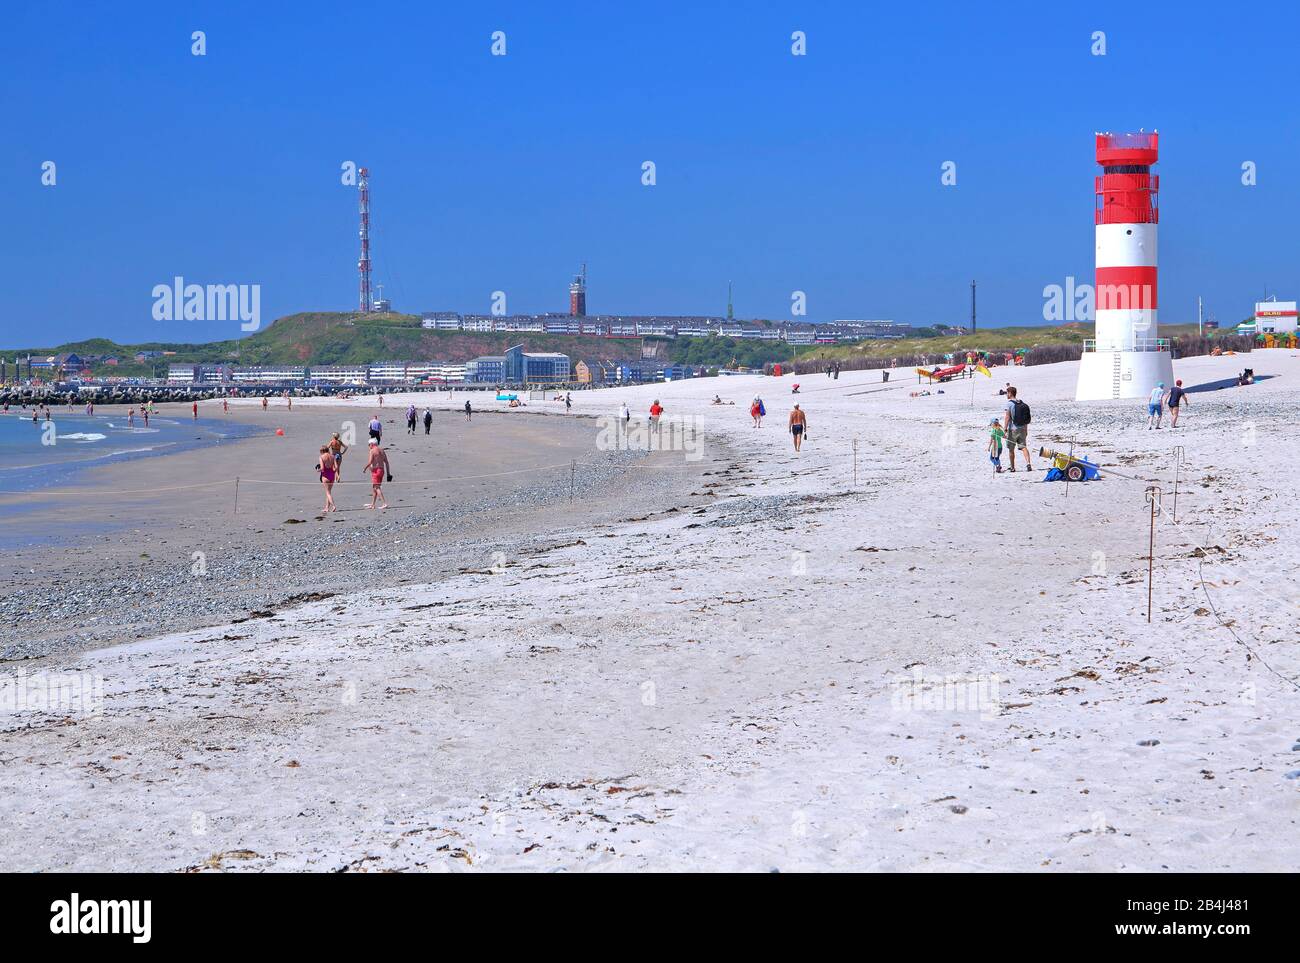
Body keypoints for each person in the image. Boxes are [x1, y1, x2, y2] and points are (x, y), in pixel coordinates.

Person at [1002, 386, 1034, 471]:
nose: (1006, 395)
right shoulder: (1021, 403)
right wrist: (1026, 429)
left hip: (1013, 429)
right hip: (1023, 428)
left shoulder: (1009, 404)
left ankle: (1012, 467)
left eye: (1007, 393)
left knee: (1011, 449)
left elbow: (1007, 417)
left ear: (1010, 393)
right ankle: (1028, 463)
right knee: (1023, 447)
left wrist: (1004, 429)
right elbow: (1025, 419)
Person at [364, 438, 390, 510]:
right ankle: (373, 504)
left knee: (377, 487)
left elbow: (370, 462)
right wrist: (388, 474)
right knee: (374, 488)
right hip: (382, 470)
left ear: (372, 444)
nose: (369, 446)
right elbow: (387, 462)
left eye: (369, 445)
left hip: (376, 471)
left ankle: (384, 503)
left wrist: (365, 468)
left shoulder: (372, 451)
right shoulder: (382, 450)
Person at [318, 445, 338, 513]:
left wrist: (318, 470)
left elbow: (322, 468)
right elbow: (336, 466)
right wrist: (334, 471)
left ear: (322, 451)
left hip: (325, 475)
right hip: (332, 475)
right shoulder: (332, 456)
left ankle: (333, 506)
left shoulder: (321, 457)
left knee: (328, 492)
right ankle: (326, 508)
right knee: (328, 492)